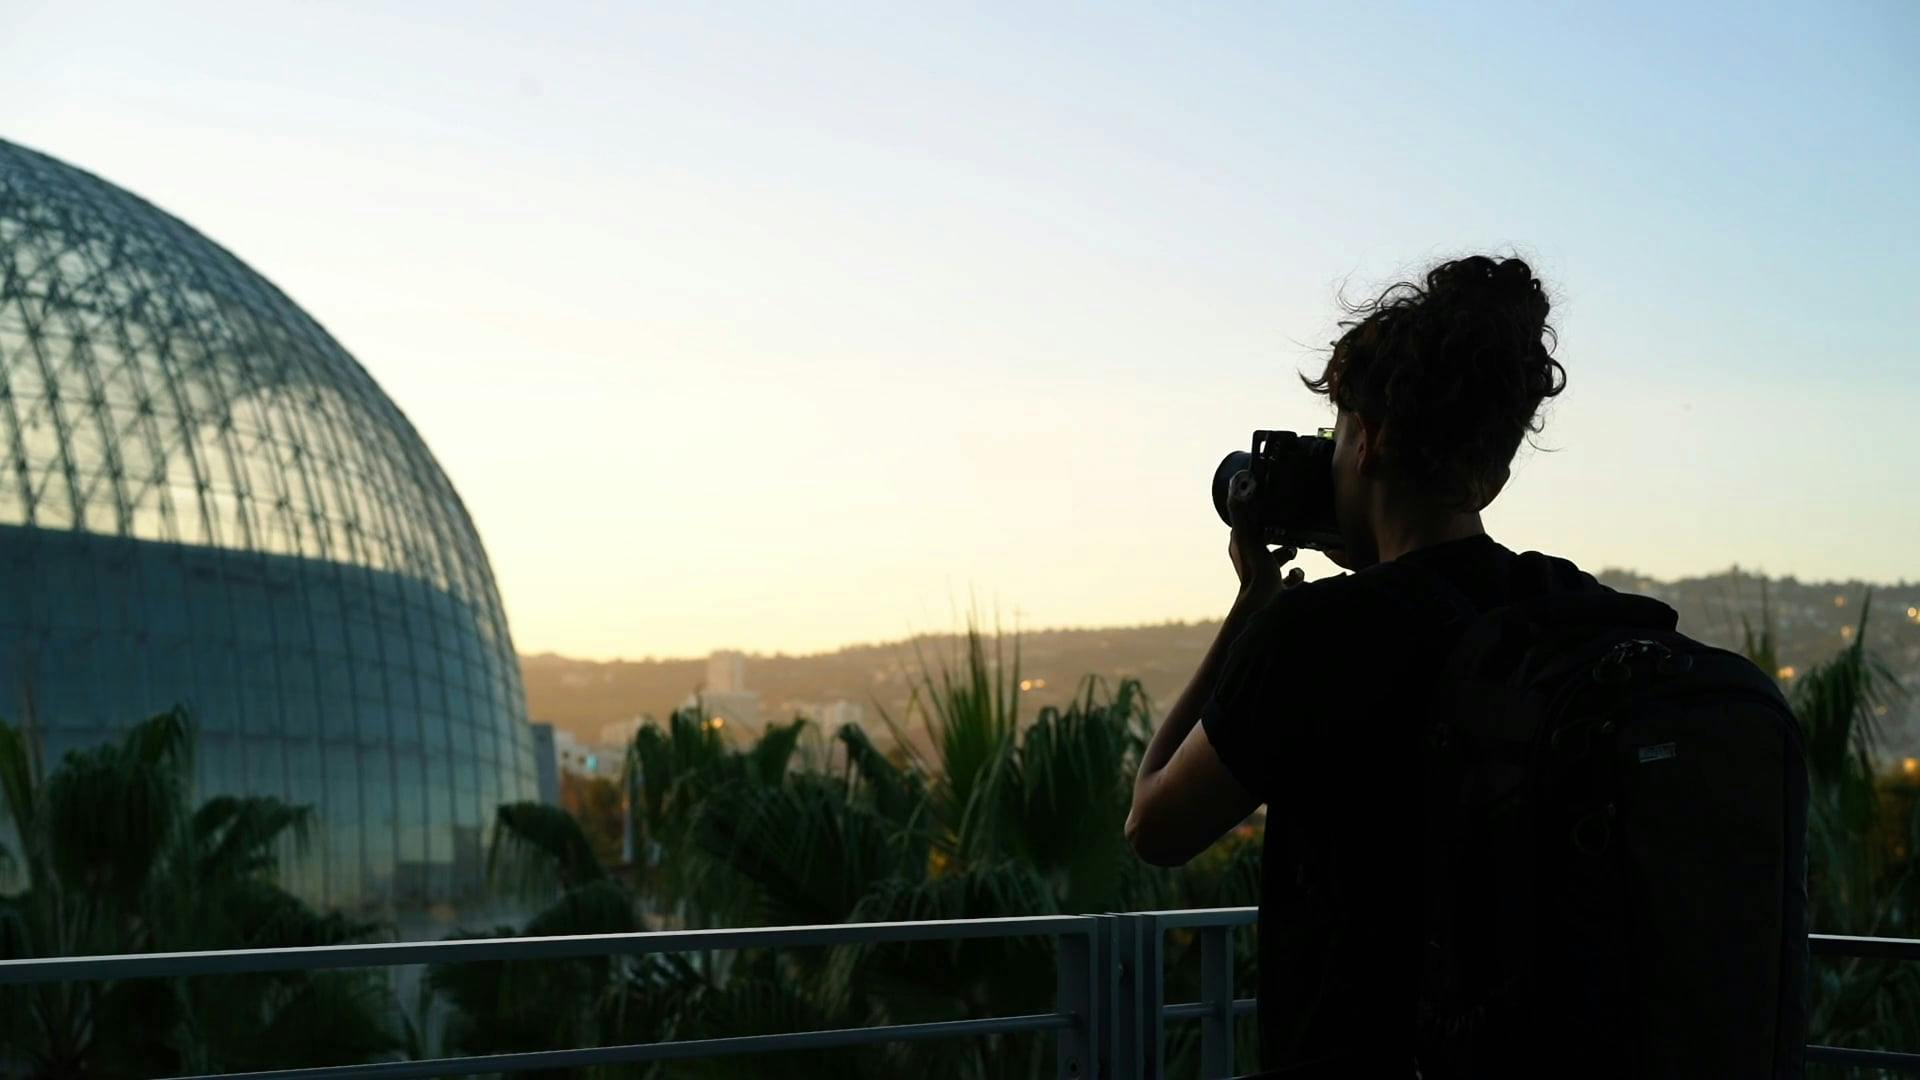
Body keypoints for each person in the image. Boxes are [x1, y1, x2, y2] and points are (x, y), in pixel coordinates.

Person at [1124, 254, 1597, 1076]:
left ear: (1369, 438)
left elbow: (1154, 823)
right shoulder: (1561, 608)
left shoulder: (1320, 636)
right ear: (1494, 467)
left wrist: (1253, 609)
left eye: (1336, 431)